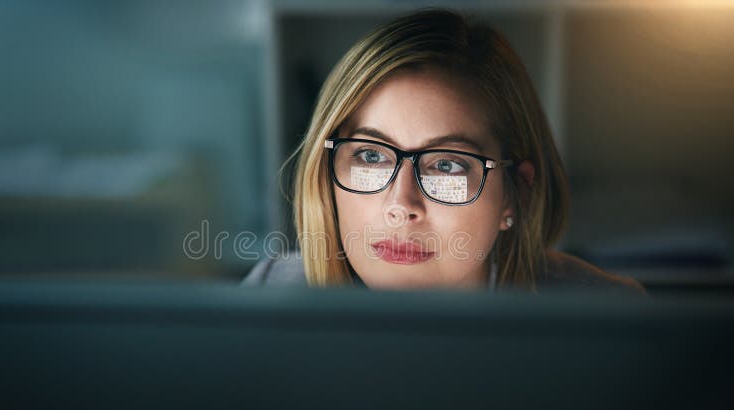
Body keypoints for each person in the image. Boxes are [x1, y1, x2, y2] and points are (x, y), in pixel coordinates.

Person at [244, 9, 644, 294]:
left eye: (447, 165)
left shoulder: (607, 319)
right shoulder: (270, 296)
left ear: (515, 193)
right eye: (371, 156)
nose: (401, 205)